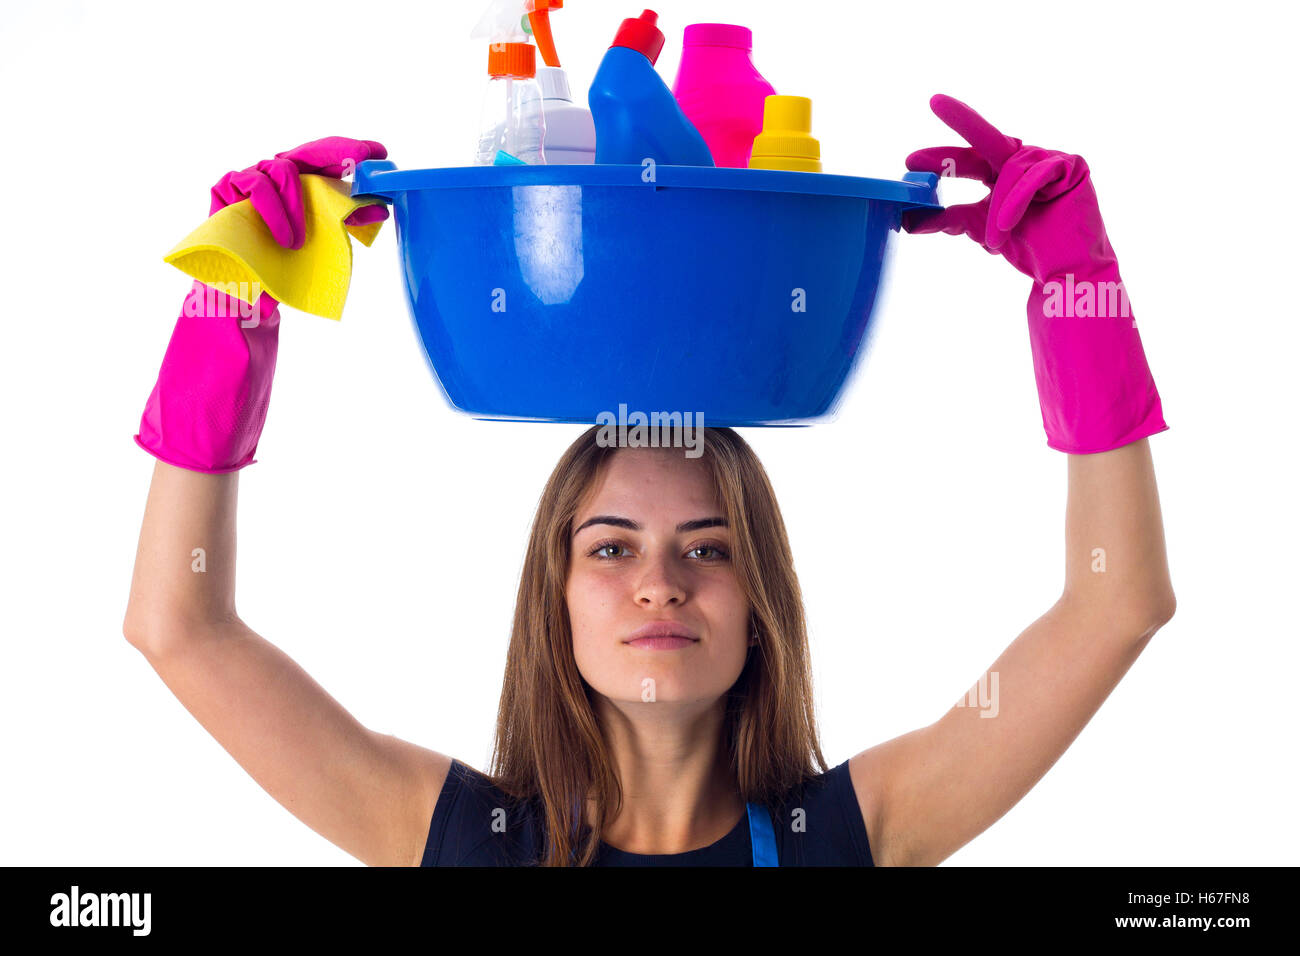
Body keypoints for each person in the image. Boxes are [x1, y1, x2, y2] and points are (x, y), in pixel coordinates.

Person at [123, 96, 1175, 867]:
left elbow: (1115, 603)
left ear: (762, 605)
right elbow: (181, 628)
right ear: (555, 597)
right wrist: (231, 308)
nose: (659, 584)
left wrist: (1078, 294)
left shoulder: (848, 837)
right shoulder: (459, 840)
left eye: (708, 548)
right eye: (612, 545)